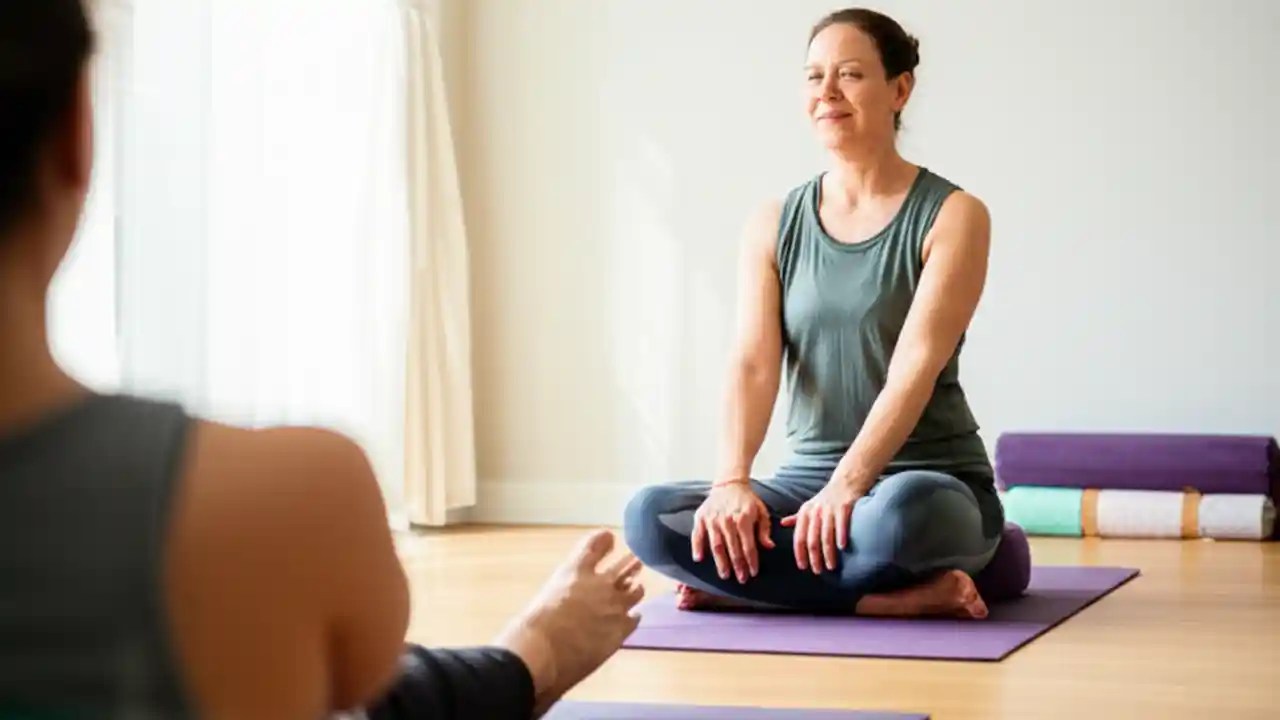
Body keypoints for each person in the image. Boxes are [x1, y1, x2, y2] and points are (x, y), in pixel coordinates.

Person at [0, 2, 642, 718]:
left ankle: (523, 656)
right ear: (77, 140)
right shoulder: (291, 493)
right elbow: (363, 685)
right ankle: (530, 657)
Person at [624, 7, 1005, 619]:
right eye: (813, 76)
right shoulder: (774, 222)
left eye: (850, 74)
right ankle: (891, 597)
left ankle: (759, 590)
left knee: (900, 520)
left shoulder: (955, 215)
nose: (826, 92)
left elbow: (914, 367)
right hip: (805, 485)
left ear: (899, 89)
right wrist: (732, 484)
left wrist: (850, 486)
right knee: (650, 517)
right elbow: (753, 365)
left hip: (923, 481)